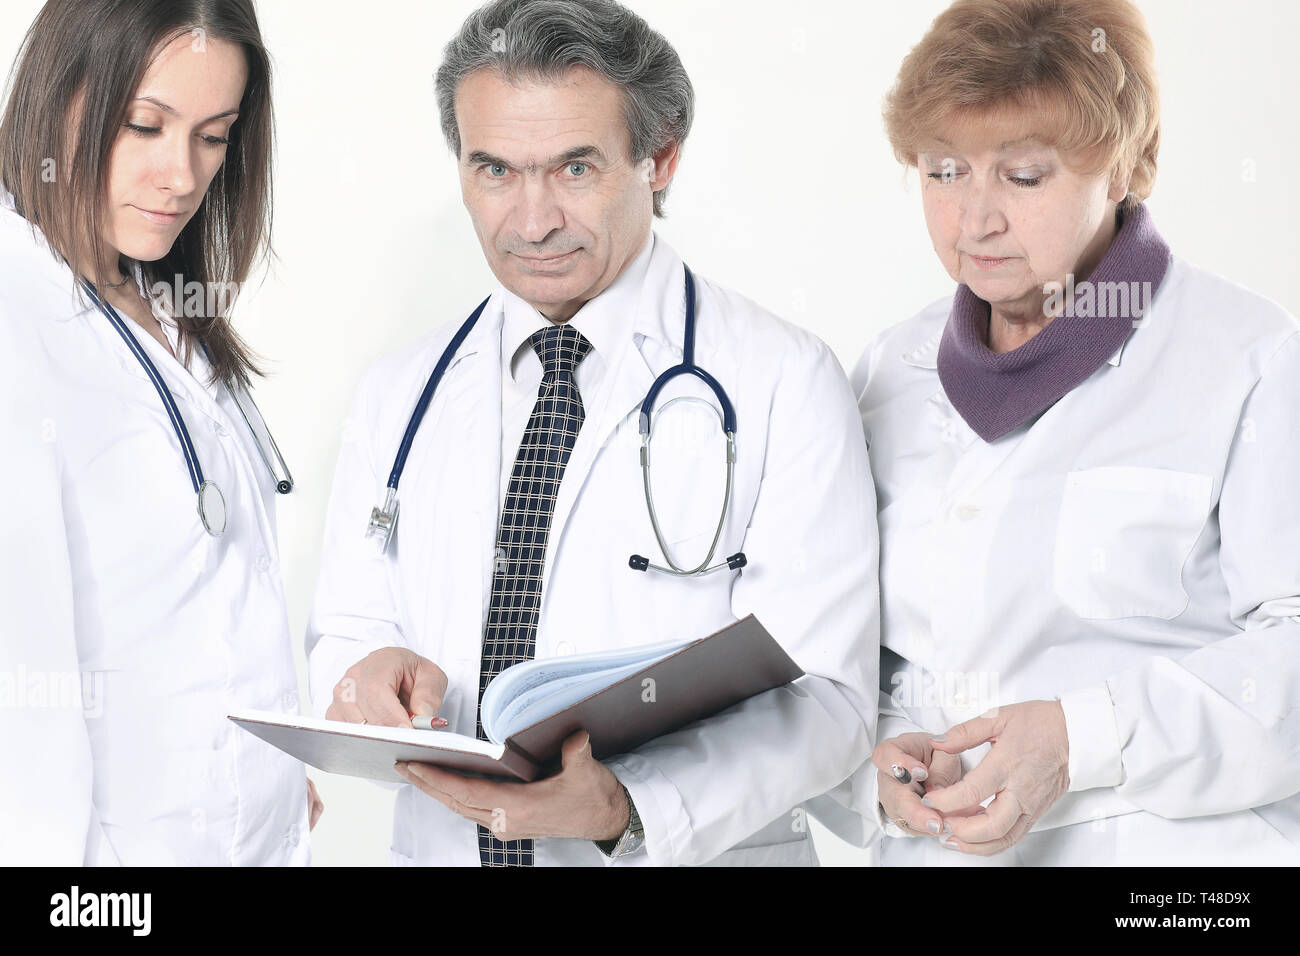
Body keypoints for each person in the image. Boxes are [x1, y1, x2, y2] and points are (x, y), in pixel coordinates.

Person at [306, 0, 878, 867]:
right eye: (494, 170)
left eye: (574, 168)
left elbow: (830, 700)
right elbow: (342, 635)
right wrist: (362, 680)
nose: (531, 222)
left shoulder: (782, 381)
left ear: (660, 157)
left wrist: (626, 805)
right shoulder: (400, 393)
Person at [843, 0, 1300, 864]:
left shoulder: (1253, 360)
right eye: (944, 171)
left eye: (1023, 177)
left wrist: (1082, 737)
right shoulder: (887, 372)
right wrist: (875, 756)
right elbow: (866, 657)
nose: (974, 221)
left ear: (1127, 165)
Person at [0, 0, 319, 865]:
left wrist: (266, 778)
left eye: (214, 136)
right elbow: (20, 726)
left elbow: (184, 607)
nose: (182, 176)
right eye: (145, 125)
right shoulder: (14, 323)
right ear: (56, 99)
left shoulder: (164, 303)